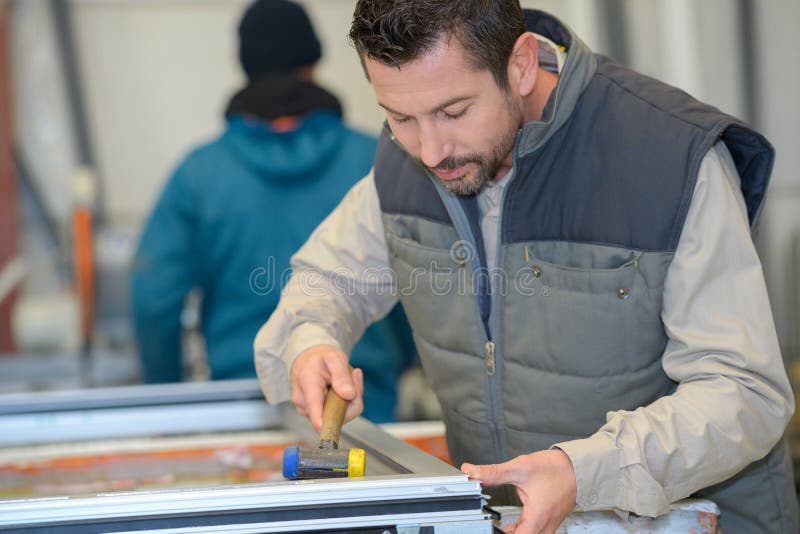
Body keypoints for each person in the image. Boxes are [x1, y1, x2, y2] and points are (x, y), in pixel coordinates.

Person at [254, 1, 797, 532]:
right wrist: (311, 339)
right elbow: (326, 279)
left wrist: (583, 473)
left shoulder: (672, 157)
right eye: (399, 117)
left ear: (519, 65)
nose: (430, 151)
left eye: (454, 111)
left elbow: (744, 390)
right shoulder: (406, 160)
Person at [130, 0, 415, 423]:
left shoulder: (200, 174)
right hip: (360, 407)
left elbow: (152, 296)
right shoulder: (379, 158)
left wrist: (167, 398)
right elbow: (421, 275)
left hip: (239, 415)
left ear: (244, 64)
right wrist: (406, 361)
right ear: (314, 60)